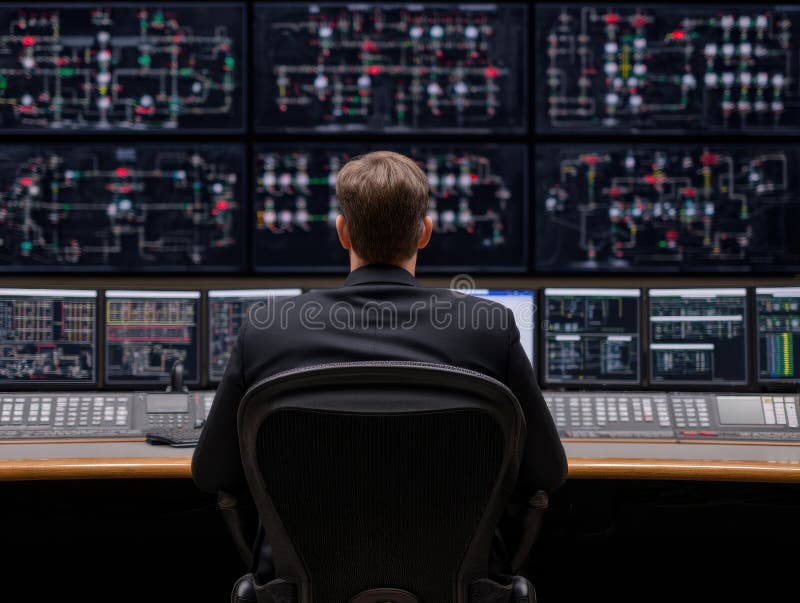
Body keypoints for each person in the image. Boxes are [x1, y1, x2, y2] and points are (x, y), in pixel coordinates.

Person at [192, 150, 567, 578]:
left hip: (307, 583)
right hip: (455, 582)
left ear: (343, 232)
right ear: (425, 233)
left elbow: (211, 473)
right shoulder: (488, 329)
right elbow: (548, 472)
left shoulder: (266, 329)